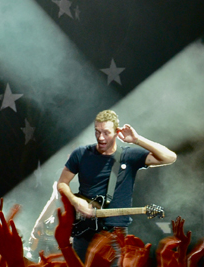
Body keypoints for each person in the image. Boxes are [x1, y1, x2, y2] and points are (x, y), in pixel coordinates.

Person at [57, 110, 177, 261]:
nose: (101, 138)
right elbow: (62, 183)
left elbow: (170, 157)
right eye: (97, 132)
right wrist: (75, 201)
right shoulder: (81, 154)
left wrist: (137, 139)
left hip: (115, 234)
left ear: (116, 132)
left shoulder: (128, 156)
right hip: (83, 232)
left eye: (106, 133)